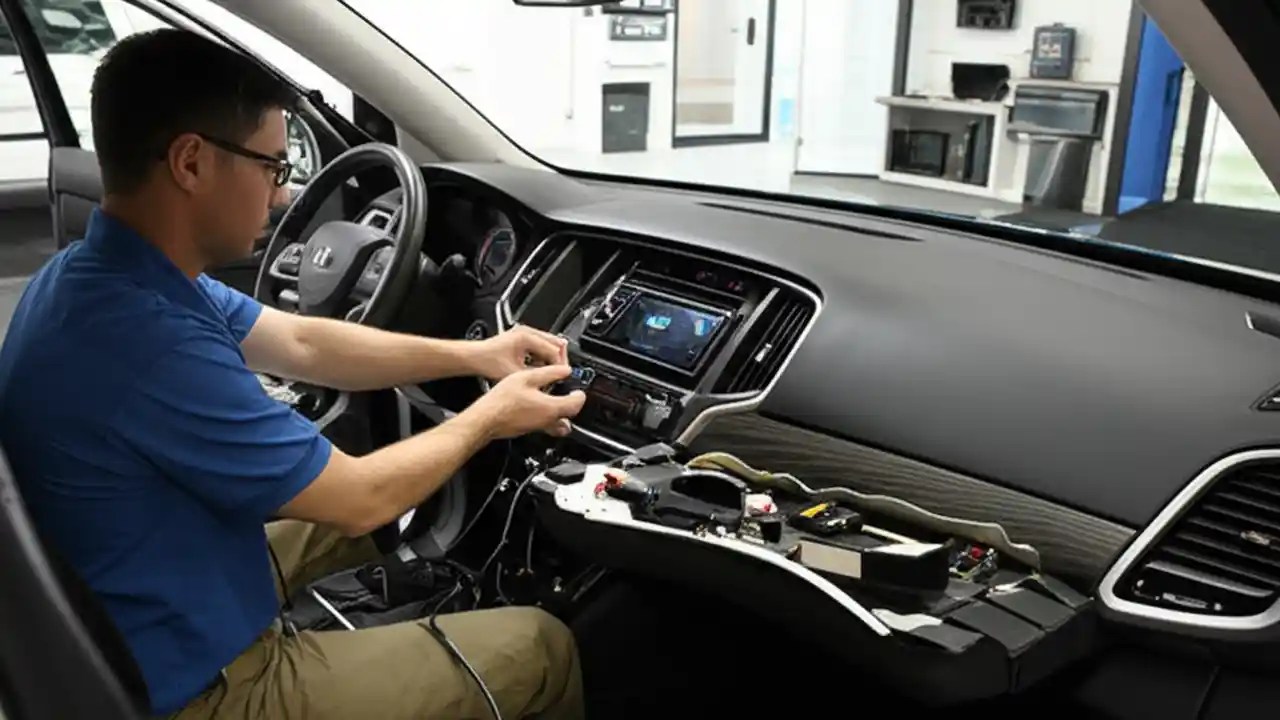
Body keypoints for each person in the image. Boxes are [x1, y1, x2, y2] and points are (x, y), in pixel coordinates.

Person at [0, 28, 587, 720]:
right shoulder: (154, 345)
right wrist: (490, 416)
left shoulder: (94, 279)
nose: (282, 198)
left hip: (142, 597)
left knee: (375, 502)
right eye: (274, 167)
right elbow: (362, 497)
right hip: (204, 688)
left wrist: (475, 356)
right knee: (543, 646)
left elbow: (303, 343)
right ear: (191, 162)